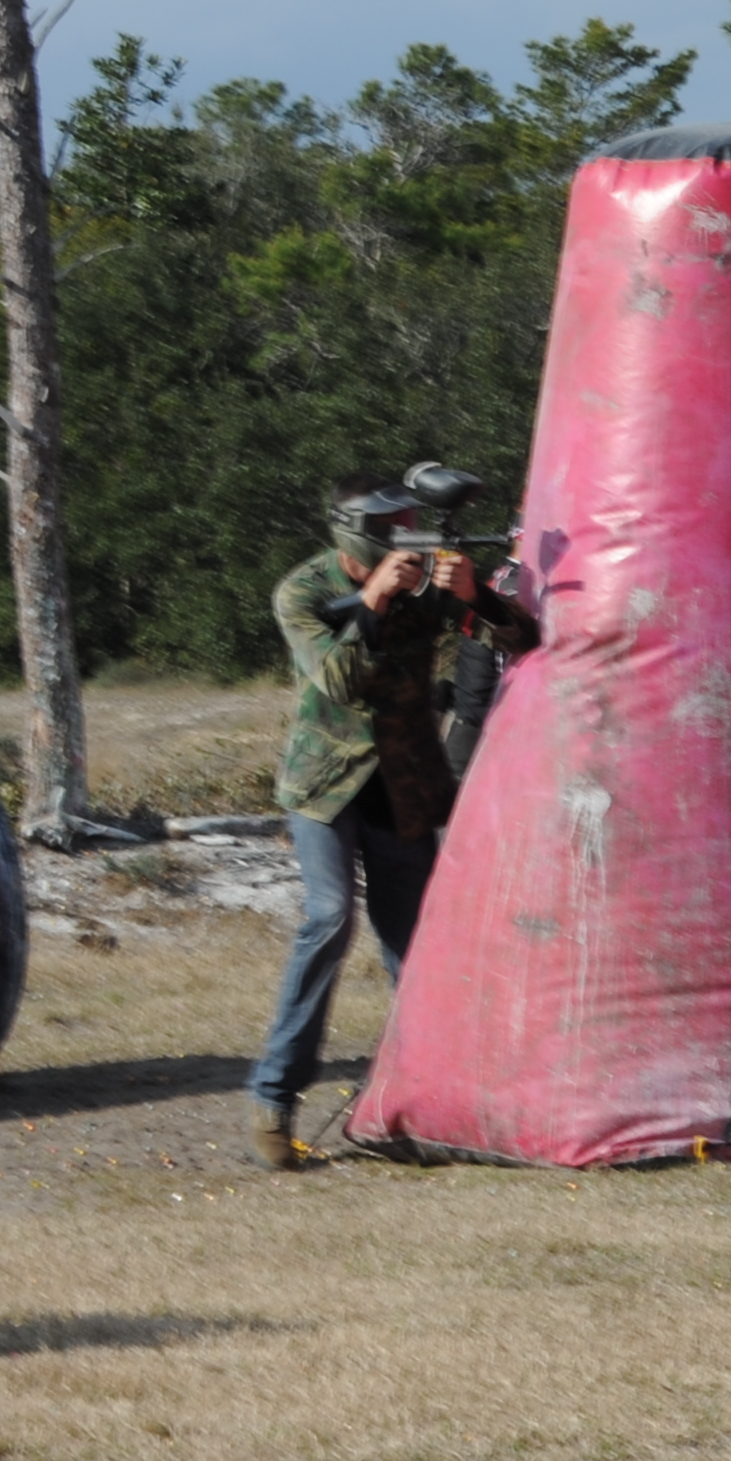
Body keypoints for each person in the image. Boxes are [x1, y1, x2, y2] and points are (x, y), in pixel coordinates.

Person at [248, 472, 537, 1170]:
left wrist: (477, 597)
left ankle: (430, 1099)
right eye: (393, 532)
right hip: (326, 785)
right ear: (359, 538)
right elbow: (340, 680)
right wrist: (374, 603)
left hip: (406, 783)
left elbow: (519, 640)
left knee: (416, 946)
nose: (404, 547)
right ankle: (272, 1101)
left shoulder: (426, 588)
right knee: (328, 918)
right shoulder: (304, 592)